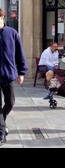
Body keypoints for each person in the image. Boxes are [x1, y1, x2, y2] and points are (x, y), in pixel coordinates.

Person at [0, 8, 27, 146]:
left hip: (8, 74)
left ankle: (1, 121)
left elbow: (19, 54)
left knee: (10, 102)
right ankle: (1, 134)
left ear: (2, 18)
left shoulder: (12, 33)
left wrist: (22, 72)